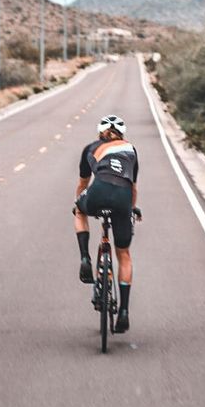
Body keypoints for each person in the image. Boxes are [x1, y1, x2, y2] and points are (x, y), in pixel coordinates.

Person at [74, 114, 141, 333]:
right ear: (122, 134)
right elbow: (132, 187)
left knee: (79, 211)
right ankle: (123, 311)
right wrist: (131, 209)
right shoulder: (130, 150)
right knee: (124, 254)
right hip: (122, 199)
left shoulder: (91, 148)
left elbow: (83, 184)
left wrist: (79, 202)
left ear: (99, 132)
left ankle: (85, 257)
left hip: (97, 193)